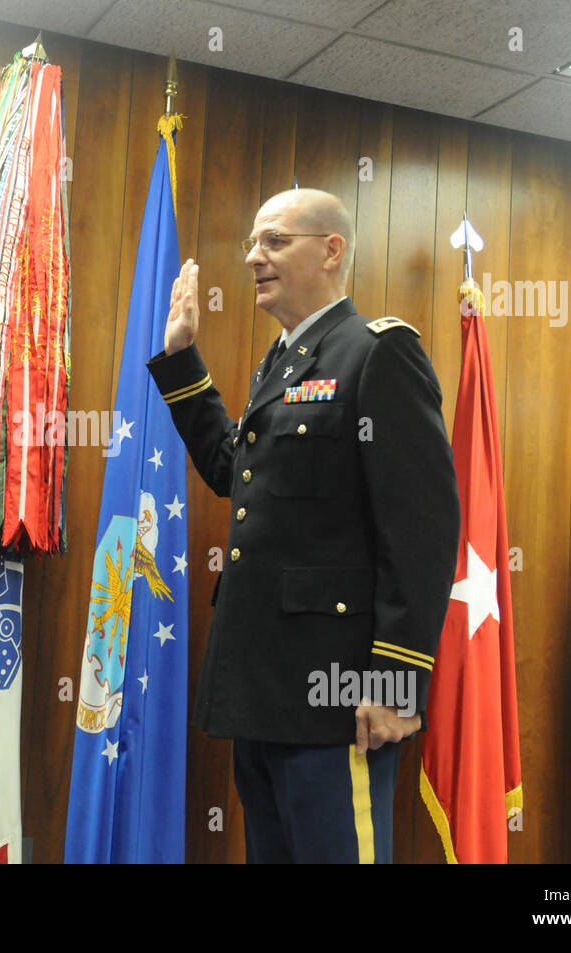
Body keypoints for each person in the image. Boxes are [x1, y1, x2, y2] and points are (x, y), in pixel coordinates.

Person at [147, 188, 460, 863]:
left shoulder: (377, 354)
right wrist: (182, 362)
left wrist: (396, 681)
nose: (253, 256)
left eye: (275, 241)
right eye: (253, 243)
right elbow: (238, 473)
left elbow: (424, 526)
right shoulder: (282, 364)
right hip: (264, 689)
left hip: (338, 698)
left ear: (331, 250)